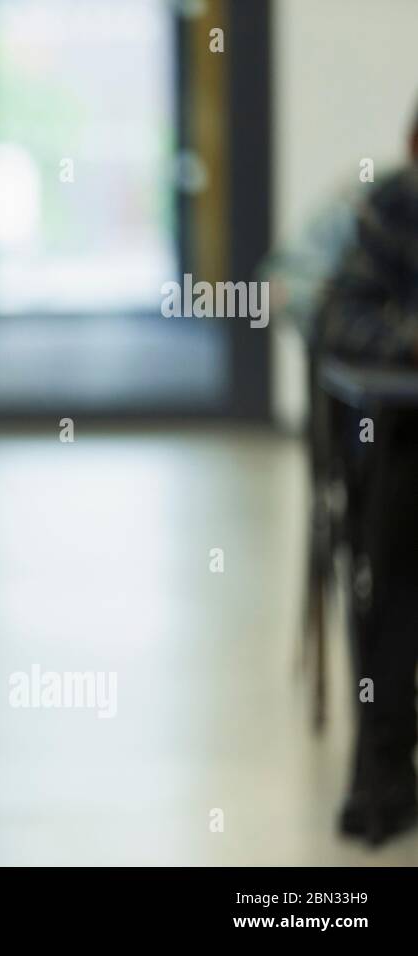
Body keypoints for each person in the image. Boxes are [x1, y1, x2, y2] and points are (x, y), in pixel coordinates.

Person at [311, 101, 418, 844]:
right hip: (409, 442)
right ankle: (386, 769)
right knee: (392, 539)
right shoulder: (394, 210)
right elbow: (335, 318)